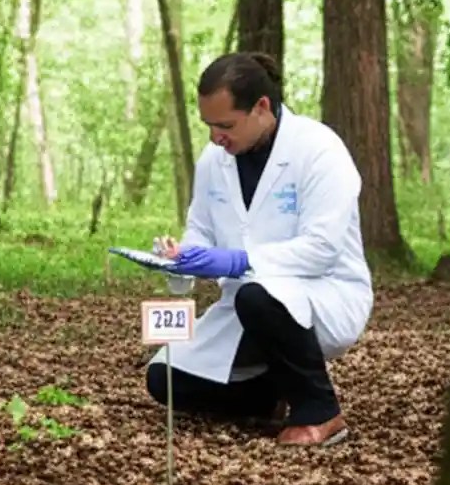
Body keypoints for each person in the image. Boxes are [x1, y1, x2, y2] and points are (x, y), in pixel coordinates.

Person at [144, 52, 373, 447]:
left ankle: (321, 411)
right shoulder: (215, 160)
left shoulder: (319, 150)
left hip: (323, 294)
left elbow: (322, 249)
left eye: (226, 125)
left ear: (262, 108)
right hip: (246, 305)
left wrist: (241, 261)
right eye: (209, 126)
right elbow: (201, 229)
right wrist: (181, 259)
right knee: (163, 378)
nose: (216, 137)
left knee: (257, 295)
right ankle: (269, 395)